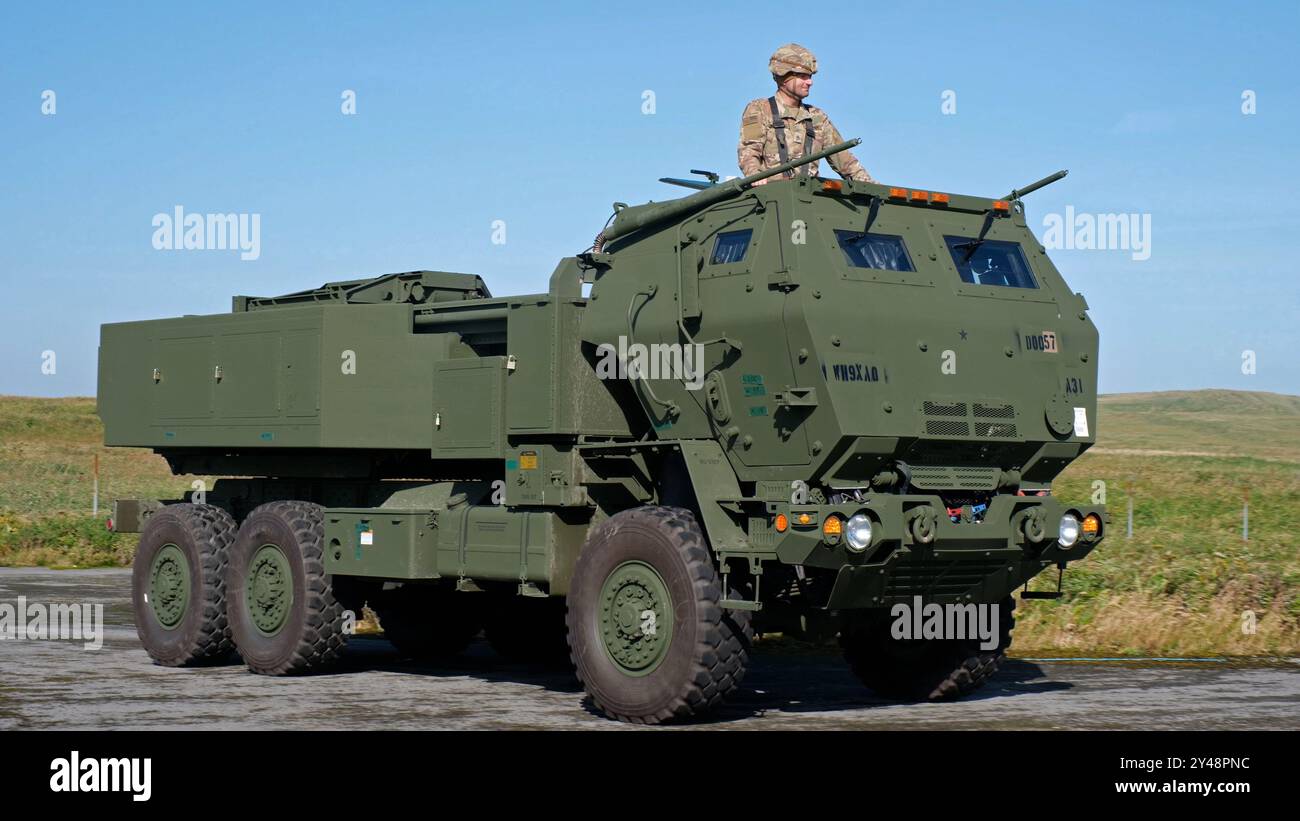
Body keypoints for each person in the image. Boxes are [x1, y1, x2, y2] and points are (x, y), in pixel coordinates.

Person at [738, 44, 875, 185]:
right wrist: (755, 176)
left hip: (807, 199)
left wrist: (873, 188)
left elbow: (844, 160)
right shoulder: (760, 109)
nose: (810, 82)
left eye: (809, 77)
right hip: (771, 198)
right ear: (785, 77)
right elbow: (749, 152)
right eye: (803, 77)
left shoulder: (817, 117)